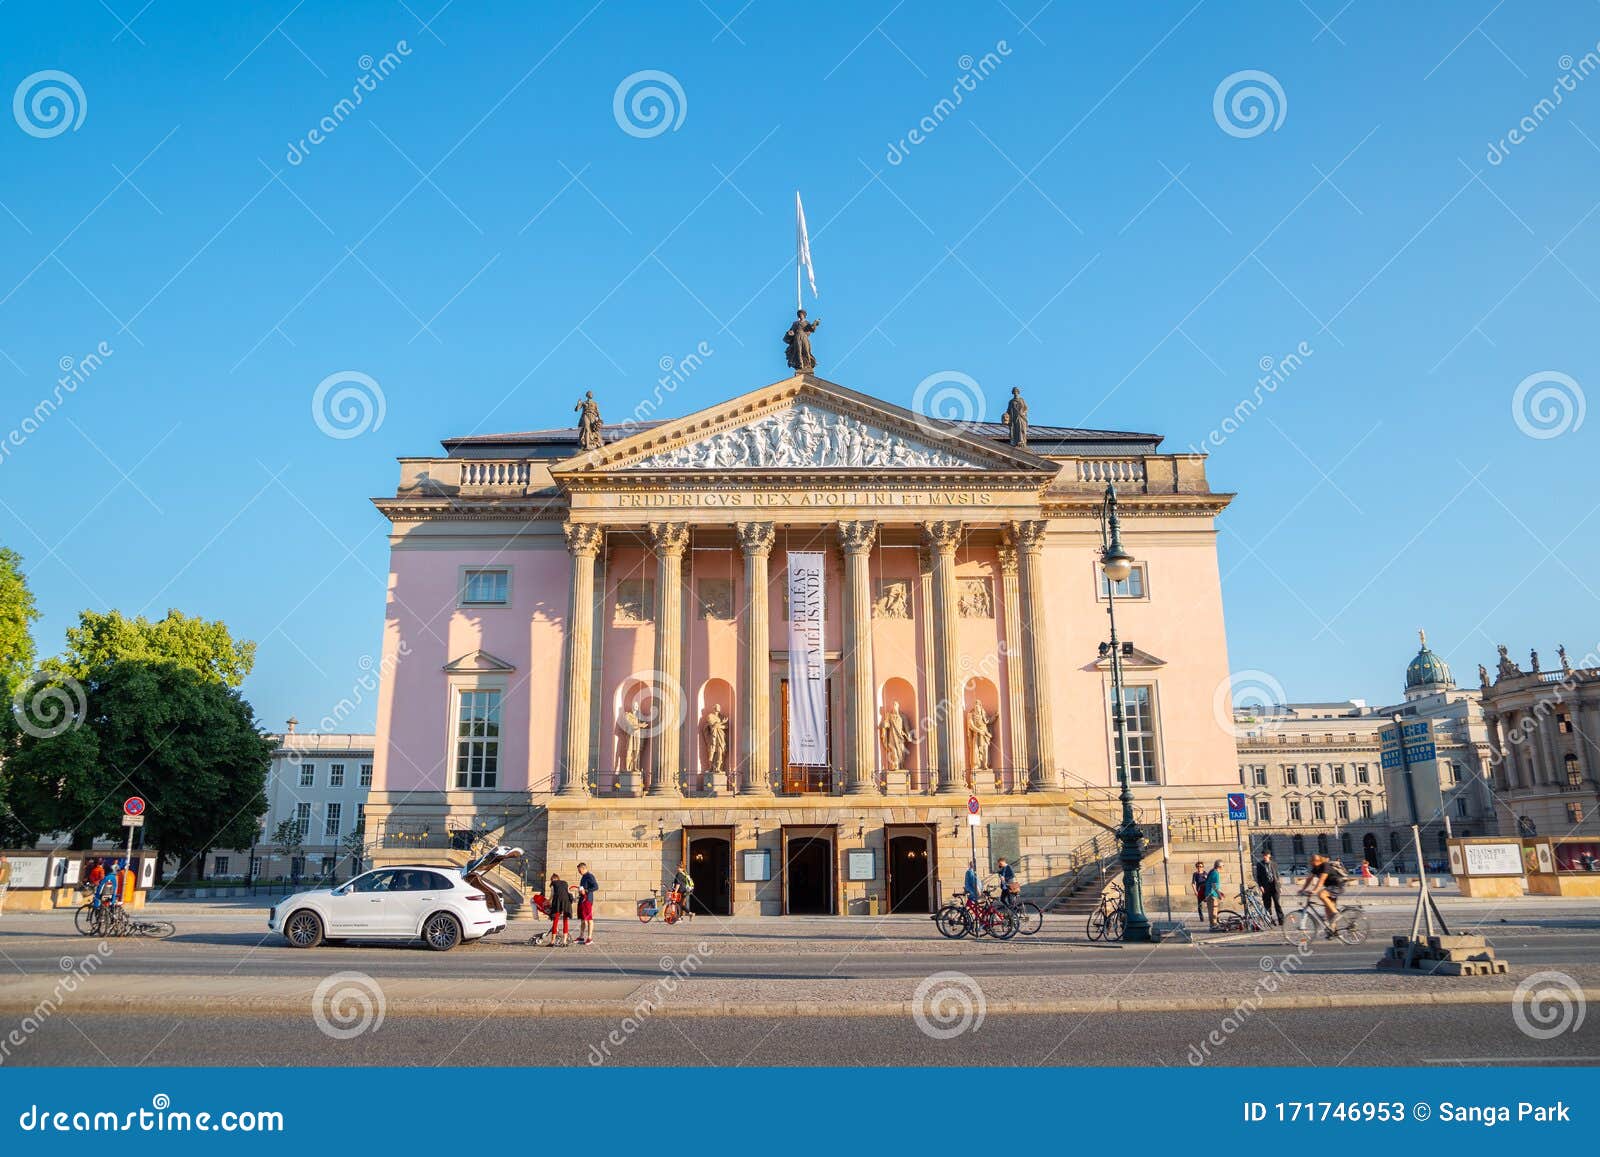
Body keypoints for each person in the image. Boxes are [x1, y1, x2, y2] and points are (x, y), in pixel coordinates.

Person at [1300, 853, 1348, 933]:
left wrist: (1314, 890)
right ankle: (1333, 931)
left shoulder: (1325, 865)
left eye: (1311, 861)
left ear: (1317, 860)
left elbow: (1321, 880)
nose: (1310, 862)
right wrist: (1302, 889)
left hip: (1337, 885)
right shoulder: (1315, 868)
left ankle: (1336, 913)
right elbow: (1309, 879)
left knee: (1321, 894)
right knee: (1328, 910)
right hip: (1330, 887)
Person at [1254, 849, 1283, 925]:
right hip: (1266, 887)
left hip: (1274, 886)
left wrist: (1280, 887)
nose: (1264, 857)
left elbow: (1277, 876)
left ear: (1269, 855)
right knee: (1267, 904)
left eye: (1266, 855)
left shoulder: (1274, 864)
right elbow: (1258, 877)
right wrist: (1260, 886)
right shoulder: (1259, 864)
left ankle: (1281, 920)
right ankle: (1269, 920)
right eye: (1263, 855)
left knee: (1277, 903)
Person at [545, 873, 573, 946]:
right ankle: (564, 941)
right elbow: (569, 892)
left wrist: (548, 901)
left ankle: (552, 941)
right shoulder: (565, 883)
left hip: (557, 903)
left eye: (551, 880)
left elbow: (552, 894)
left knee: (555, 921)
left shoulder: (553, 884)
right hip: (566, 903)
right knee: (565, 921)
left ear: (553, 879)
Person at [576, 862, 599, 946]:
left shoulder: (590, 876)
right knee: (582, 919)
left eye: (579, 870)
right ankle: (581, 936)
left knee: (589, 919)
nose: (579, 872)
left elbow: (596, 887)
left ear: (583, 868)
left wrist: (586, 890)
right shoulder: (583, 877)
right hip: (582, 899)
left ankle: (589, 938)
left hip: (587, 900)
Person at [1205, 861, 1224, 930]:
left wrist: (1220, 892)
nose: (1223, 867)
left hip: (1209, 894)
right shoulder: (1215, 873)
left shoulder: (1212, 872)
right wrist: (1219, 895)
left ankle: (1212, 924)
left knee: (1211, 910)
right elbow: (1214, 885)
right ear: (1219, 866)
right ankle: (1214, 925)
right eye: (1223, 865)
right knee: (1213, 910)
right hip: (1212, 894)